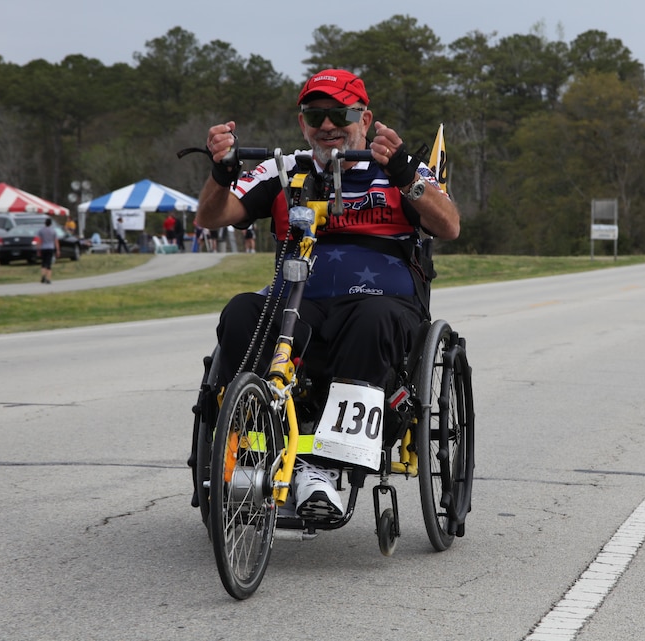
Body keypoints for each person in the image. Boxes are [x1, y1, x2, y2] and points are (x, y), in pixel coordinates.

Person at [196, 68, 460, 519]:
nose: (327, 125)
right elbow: (212, 217)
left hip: (382, 304)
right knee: (241, 312)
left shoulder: (400, 168)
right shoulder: (282, 170)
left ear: (364, 118)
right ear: (303, 124)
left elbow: (449, 225)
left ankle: (324, 467)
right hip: (301, 304)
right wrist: (221, 175)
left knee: (373, 318)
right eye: (316, 115)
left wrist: (402, 175)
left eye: (340, 113)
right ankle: (257, 447)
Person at [37, 217, 60, 284]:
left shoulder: (41, 230)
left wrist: (38, 249)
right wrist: (58, 250)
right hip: (50, 247)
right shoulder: (53, 231)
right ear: (51, 223)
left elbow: (39, 240)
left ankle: (43, 276)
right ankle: (48, 278)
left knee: (43, 263)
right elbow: (56, 241)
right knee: (49, 263)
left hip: (43, 248)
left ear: (45, 223)